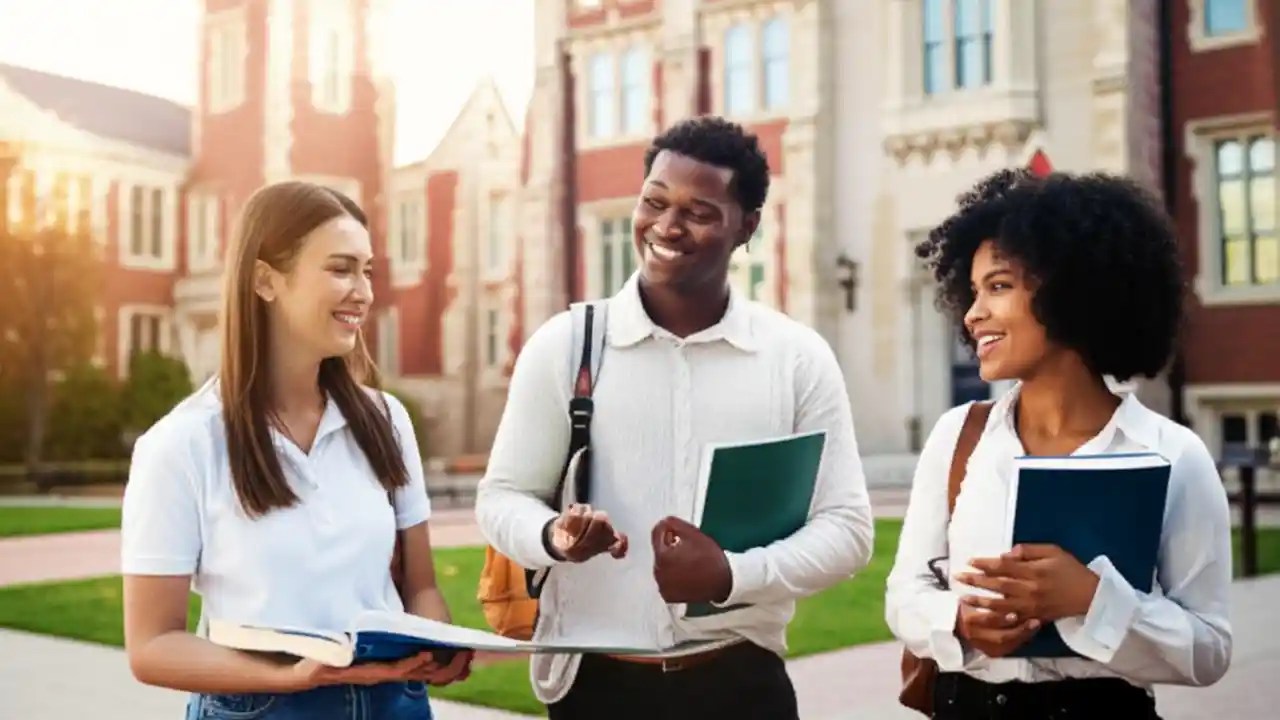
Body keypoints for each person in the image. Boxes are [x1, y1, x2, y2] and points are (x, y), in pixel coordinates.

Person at [474, 115, 875, 719]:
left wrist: (730, 576)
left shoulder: (796, 357)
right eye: (654, 202)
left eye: (700, 211)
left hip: (742, 684)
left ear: (747, 227)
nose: (667, 226)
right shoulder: (568, 346)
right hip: (596, 690)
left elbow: (847, 530)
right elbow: (502, 497)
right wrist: (552, 536)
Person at [885, 168, 1233, 718]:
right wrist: (959, 621)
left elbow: (1209, 650)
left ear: (1074, 290)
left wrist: (1094, 601)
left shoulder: (1174, 454)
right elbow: (904, 594)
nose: (974, 314)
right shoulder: (958, 437)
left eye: (998, 286)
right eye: (972, 291)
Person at [120, 181, 472, 720]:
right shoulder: (181, 444)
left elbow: (419, 588)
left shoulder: (386, 421)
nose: (364, 291)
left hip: (393, 707)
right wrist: (289, 678)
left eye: (367, 270)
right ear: (265, 280)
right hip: (262, 709)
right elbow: (151, 647)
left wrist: (438, 644)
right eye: (340, 269)